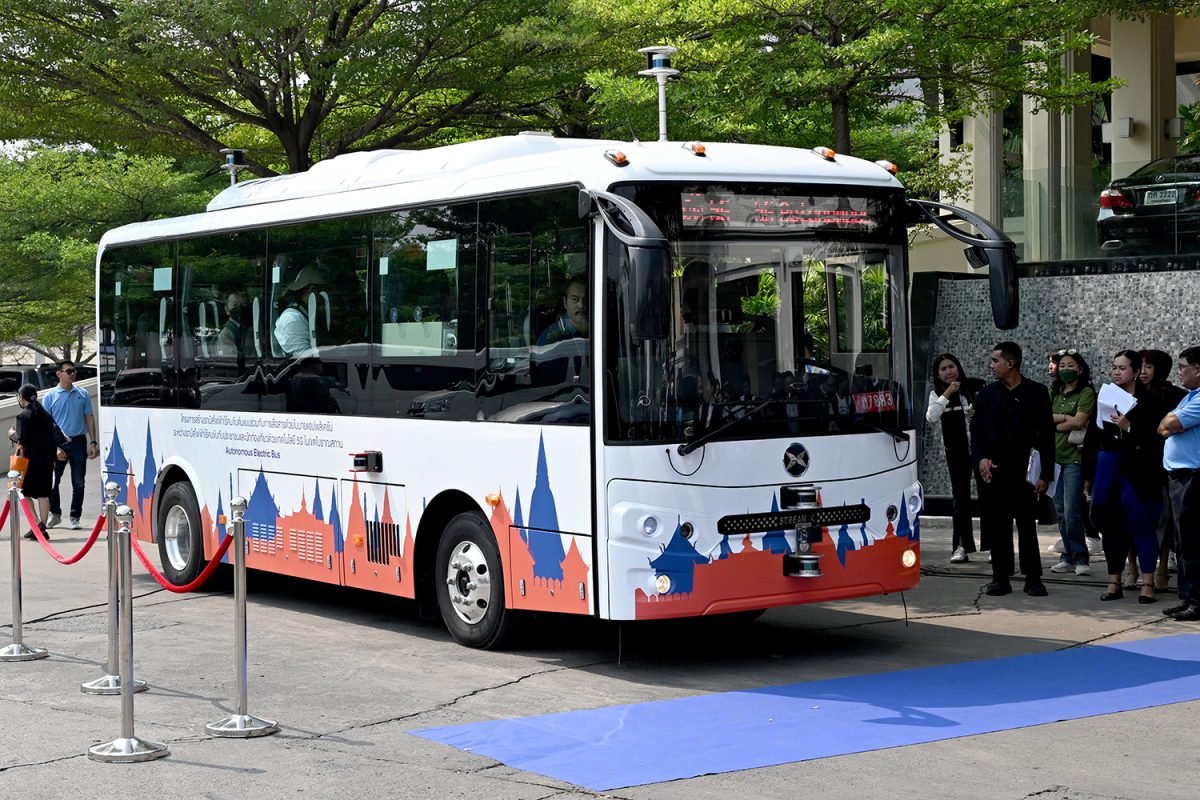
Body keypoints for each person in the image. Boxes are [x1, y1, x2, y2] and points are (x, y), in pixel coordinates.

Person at [971, 341, 1054, 597]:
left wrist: (1045, 474)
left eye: (996, 361)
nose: (992, 365)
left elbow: (1046, 435)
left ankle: (1033, 577)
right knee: (998, 524)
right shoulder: (987, 394)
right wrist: (981, 458)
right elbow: (977, 432)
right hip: (994, 469)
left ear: (1011, 363)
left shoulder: (1036, 392)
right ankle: (1000, 577)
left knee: (1026, 524)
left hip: (1025, 469)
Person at [1094, 350, 1165, 605]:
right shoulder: (1104, 396)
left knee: (1141, 522)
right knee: (1110, 524)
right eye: (1114, 367)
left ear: (1136, 372)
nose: (1116, 372)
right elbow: (1095, 435)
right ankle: (1114, 580)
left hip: (1138, 470)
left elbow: (1157, 438)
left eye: (1122, 368)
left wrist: (1130, 428)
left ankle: (1148, 581)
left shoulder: (1151, 401)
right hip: (1108, 465)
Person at [925, 353, 985, 563]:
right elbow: (931, 417)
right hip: (956, 453)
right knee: (961, 499)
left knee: (988, 497)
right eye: (943, 369)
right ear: (938, 374)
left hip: (980, 451)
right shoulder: (936, 394)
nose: (948, 371)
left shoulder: (974, 387)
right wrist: (948, 393)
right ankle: (961, 546)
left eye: (951, 366)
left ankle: (992, 544)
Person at [1157, 346, 1200, 621]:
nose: (1179, 372)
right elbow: (1163, 426)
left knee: (1193, 540)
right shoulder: (1189, 398)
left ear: (1198, 369)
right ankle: (1186, 597)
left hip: (1192, 477)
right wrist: (1168, 424)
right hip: (1179, 478)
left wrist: (1168, 424)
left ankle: (1196, 600)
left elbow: (1169, 424)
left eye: (1183, 366)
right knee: (1182, 541)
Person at [1140, 348, 1187, 590]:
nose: (1143, 372)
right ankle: (1134, 568)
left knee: (1165, 518)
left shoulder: (1175, 395)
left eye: (1149, 366)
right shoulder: (1129, 393)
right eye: (1140, 366)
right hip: (1137, 462)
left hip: (1164, 463)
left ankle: (1161, 571)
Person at [1047, 350, 1096, 577]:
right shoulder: (1054, 392)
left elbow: (1080, 421)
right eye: (1062, 365)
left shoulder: (1086, 392)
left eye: (1070, 365)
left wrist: (1061, 421)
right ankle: (1067, 556)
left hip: (1075, 458)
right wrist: (1066, 420)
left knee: (1072, 509)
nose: (1065, 369)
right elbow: (1044, 418)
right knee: (1061, 511)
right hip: (1055, 458)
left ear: (1080, 369)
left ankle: (1080, 557)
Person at [42, 360, 98, 530]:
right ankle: (55, 514)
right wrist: (54, 447)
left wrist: (93, 442)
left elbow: (89, 417)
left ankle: (75, 516)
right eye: (69, 371)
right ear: (59, 373)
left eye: (74, 371)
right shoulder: (50, 396)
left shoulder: (83, 394)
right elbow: (46, 424)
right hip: (58, 445)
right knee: (53, 481)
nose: (73, 374)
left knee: (79, 482)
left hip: (79, 442)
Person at [8, 385, 68, 540]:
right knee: (43, 494)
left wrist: (12, 434)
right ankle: (42, 525)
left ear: (22, 397)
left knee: (24, 492)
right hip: (47, 460)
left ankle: (36, 523)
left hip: (29, 461)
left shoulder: (23, 416)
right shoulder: (45, 415)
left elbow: (22, 438)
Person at [275, 265, 328, 356]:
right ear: (313, 290)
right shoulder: (292, 318)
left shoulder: (310, 312)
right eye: (325, 290)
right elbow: (301, 357)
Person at [537, 278, 588, 345]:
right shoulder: (550, 338)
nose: (581, 305)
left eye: (586, 299)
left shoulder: (602, 329)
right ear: (565, 303)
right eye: (575, 299)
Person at [216, 291, 252, 363]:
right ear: (227, 309)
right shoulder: (226, 334)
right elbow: (230, 363)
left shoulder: (251, 328)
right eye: (235, 305)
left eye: (243, 304)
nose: (240, 308)